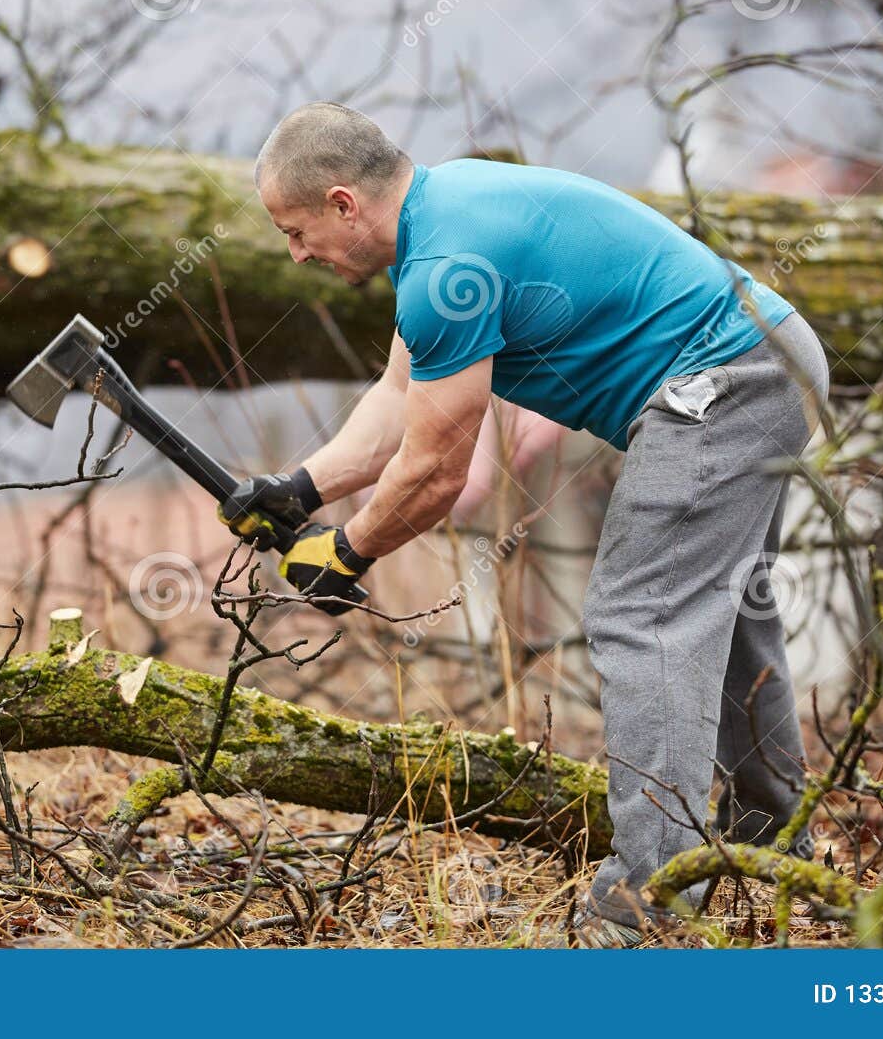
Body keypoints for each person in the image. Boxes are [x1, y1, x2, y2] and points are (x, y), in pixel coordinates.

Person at [217, 102, 831, 943]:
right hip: (765, 359)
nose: (296, 253)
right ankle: (771, 840)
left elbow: (436, 472)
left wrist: (348, 551)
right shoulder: (444, 218)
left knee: (644, 613)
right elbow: (400, 400)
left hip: (728, 377)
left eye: (296, 230)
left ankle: (651, 897)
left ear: (342, 204)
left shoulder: (444, 266)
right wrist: (299, 488)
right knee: (723, 615)